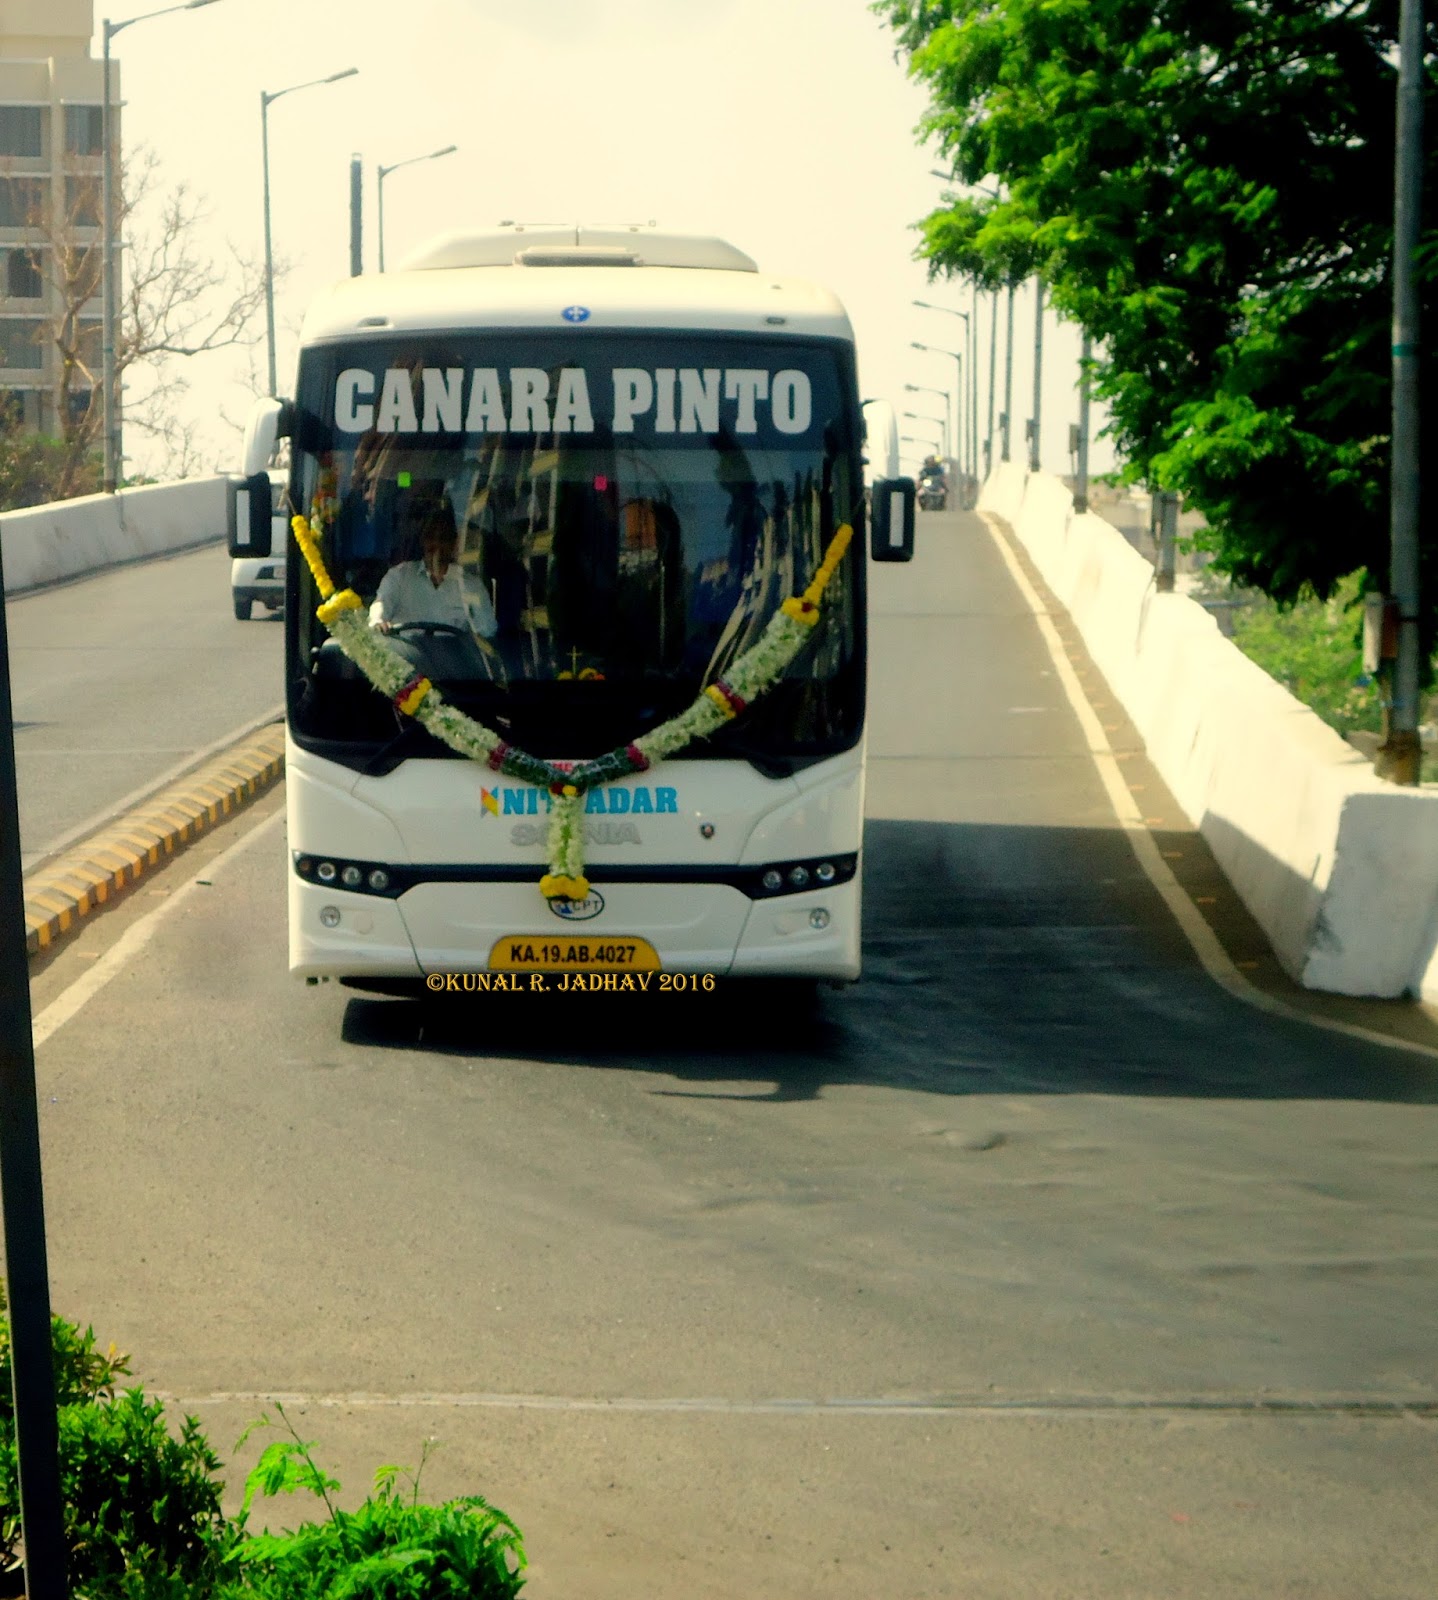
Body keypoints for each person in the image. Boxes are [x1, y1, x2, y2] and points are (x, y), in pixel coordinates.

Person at [369, 495, 499, 640]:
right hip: (405, 659)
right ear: (422, 540)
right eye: (430, 537)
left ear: (453, 544)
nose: (436, 545)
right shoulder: (399, 576)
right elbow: (380, 608)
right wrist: (379, 622)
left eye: (443, 538)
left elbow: (487, 632)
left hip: (454, 660)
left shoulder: (471, 586)